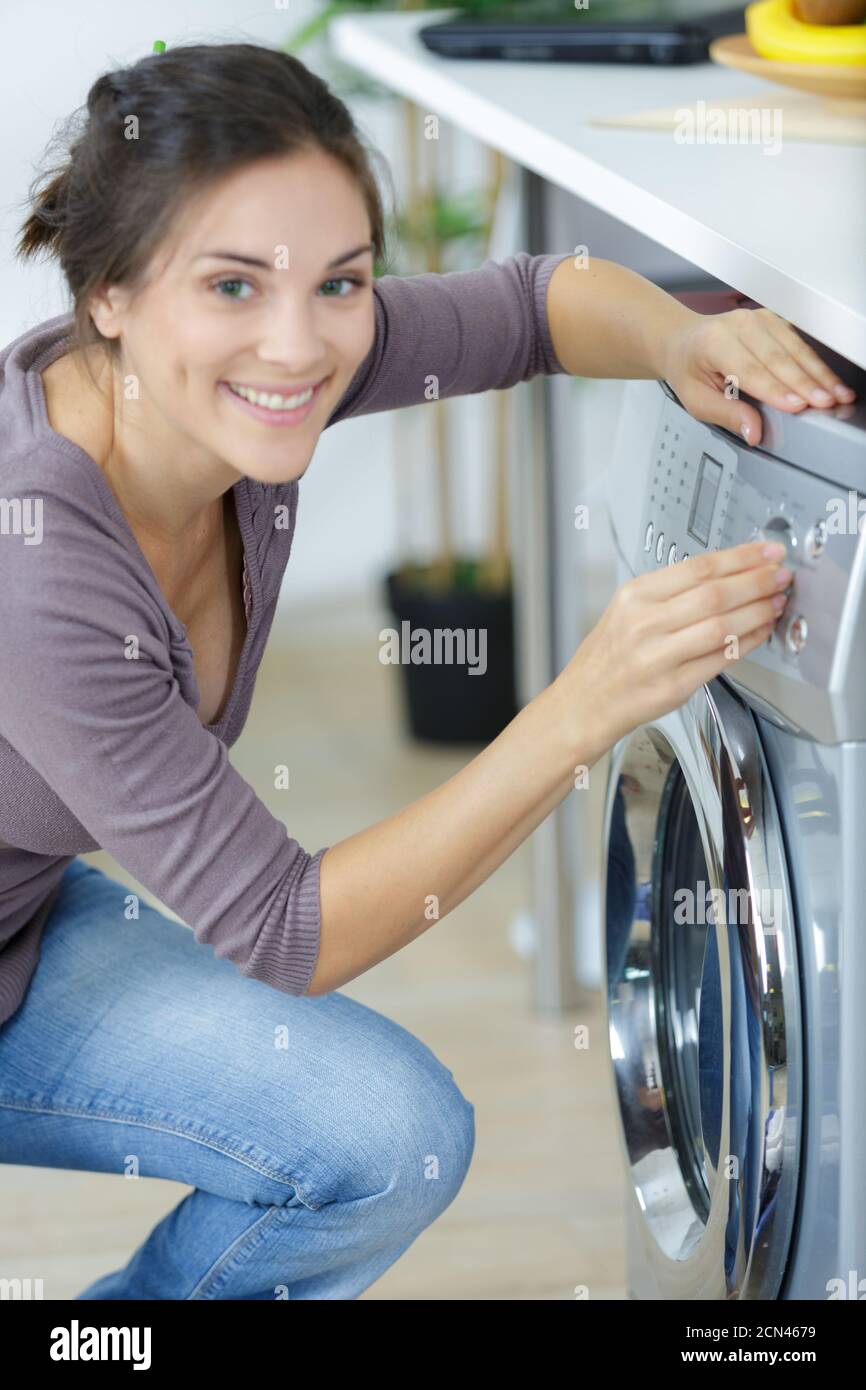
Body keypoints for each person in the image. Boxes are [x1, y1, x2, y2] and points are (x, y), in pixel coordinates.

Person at [0, 41, 854, 1301]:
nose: (297, 346)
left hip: (22, 924)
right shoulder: (38, 565)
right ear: (108, 295)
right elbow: (290, 929)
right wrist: (583, 701)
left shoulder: (229, 379)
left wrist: (680, 338)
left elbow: (531, 303)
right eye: (231, 285)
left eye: (338, 282)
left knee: (386, 1135)